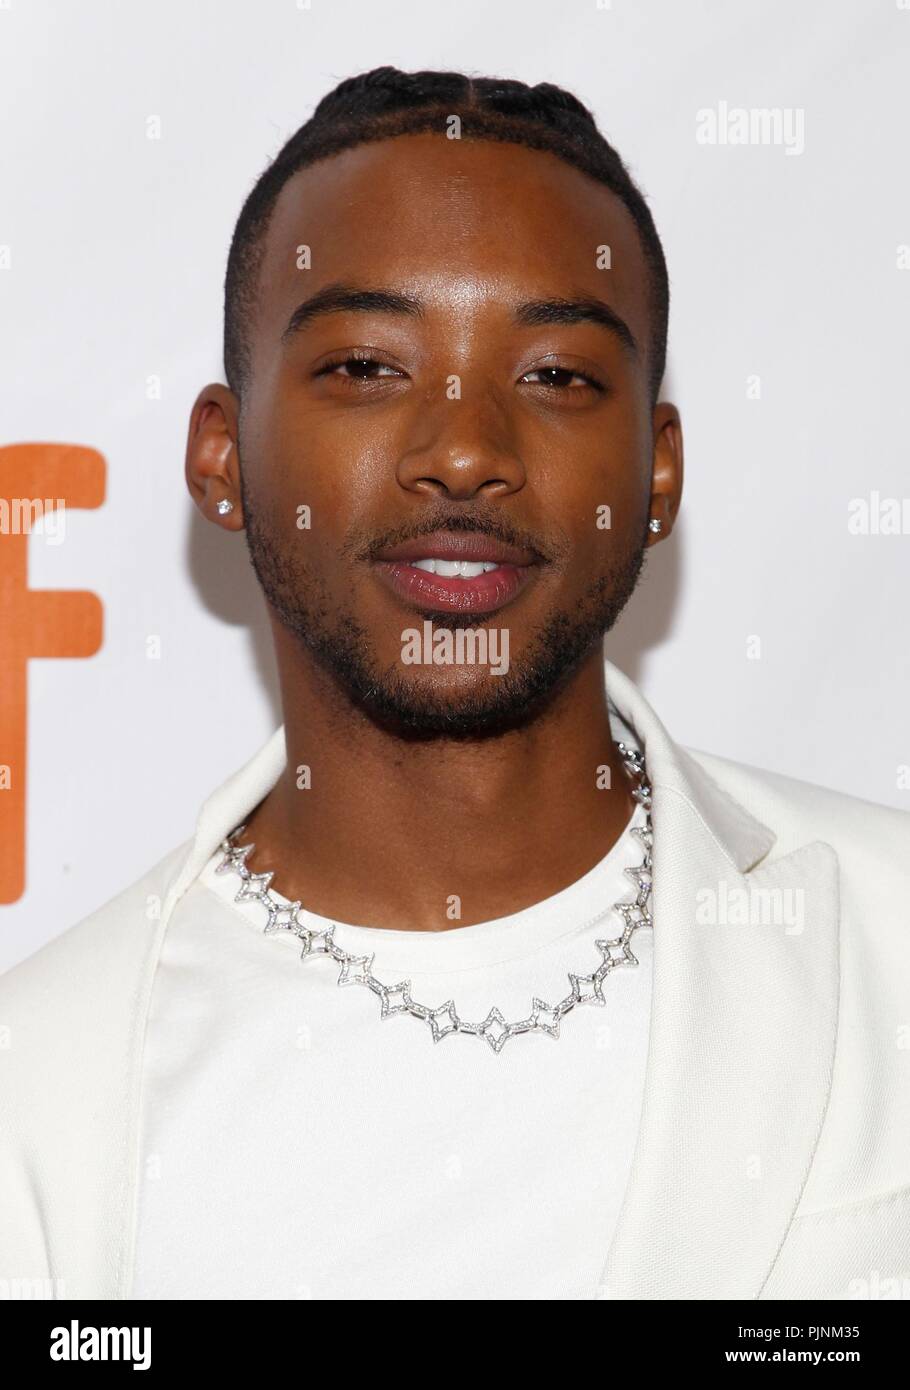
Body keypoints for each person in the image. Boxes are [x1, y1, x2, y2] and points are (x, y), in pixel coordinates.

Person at [2, 66, 908, 1302]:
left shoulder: (887, 933)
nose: (467, 450)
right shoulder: (37, 1089)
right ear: (222, 456)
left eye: (556, 376)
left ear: (656, 471)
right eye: (367, 366)